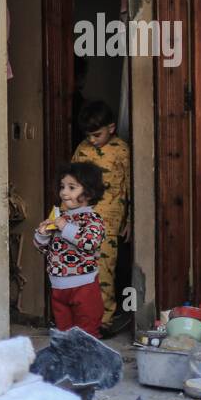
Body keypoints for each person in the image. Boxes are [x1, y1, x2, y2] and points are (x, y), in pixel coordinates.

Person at [71, 100, 131, 335]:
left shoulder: (122, 150)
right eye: (89, 135)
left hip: (109, 219)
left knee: (104, 269)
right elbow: (71, 182)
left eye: (97, 134)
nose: (93, 140)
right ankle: (82, 319)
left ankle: (104, 320)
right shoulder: (82, 149)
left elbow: (129, 186)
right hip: (82, 218)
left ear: (112, 128)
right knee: (81, 267)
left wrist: (131, 220)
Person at [33, 161, 107, 338]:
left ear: (89, 192)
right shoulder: (60, 217)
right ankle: (69, 364)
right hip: (58, 287)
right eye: (62, 186)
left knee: (87, 334)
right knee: (64, 335)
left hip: (84, 286)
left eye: (71, 187)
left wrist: (65, 227)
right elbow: (44, 249)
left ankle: (88, 365)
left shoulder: (93, 219)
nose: (64, 192)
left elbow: (90, 243)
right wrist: (42, 234)